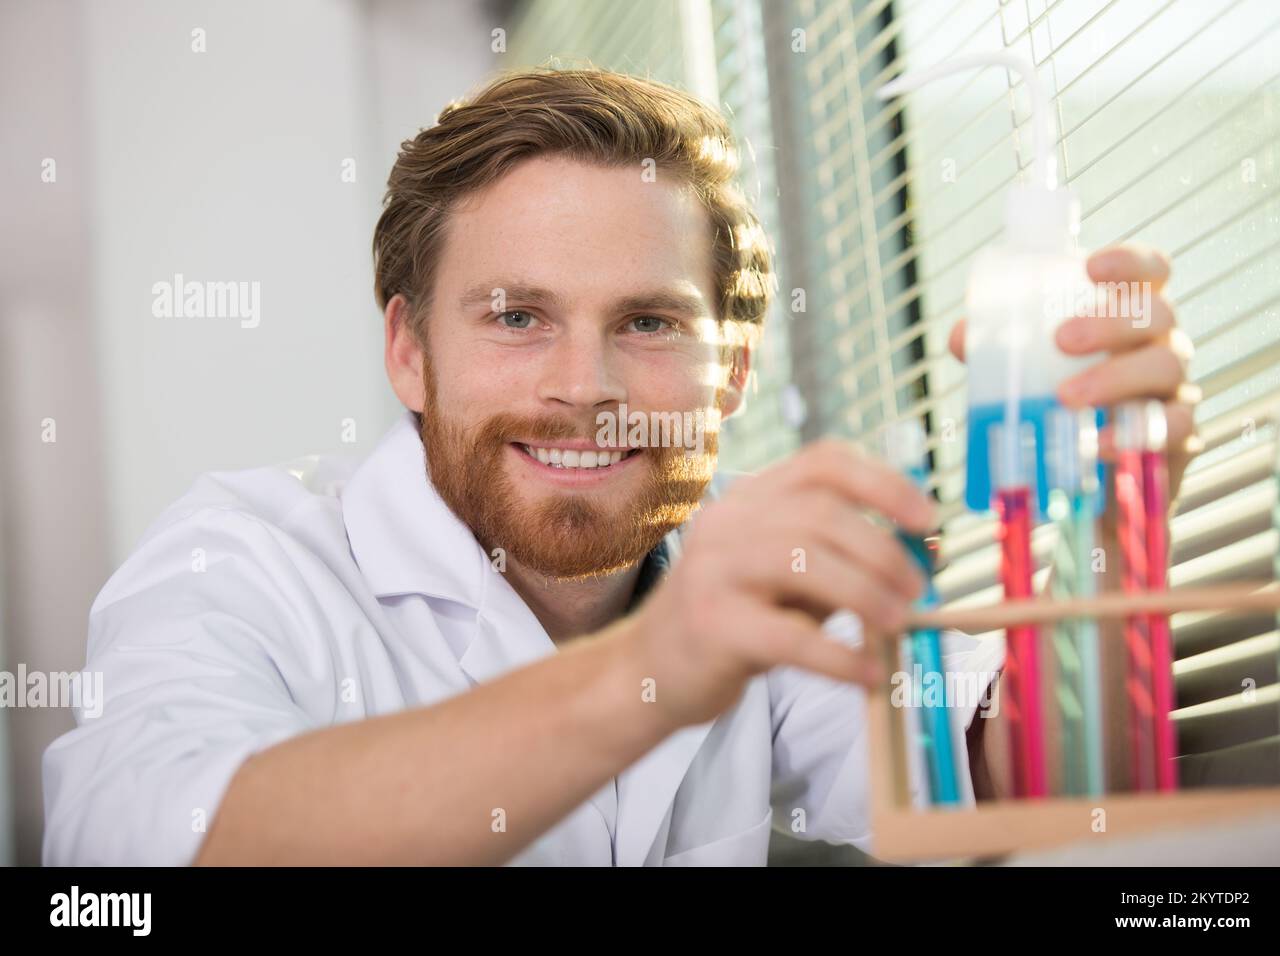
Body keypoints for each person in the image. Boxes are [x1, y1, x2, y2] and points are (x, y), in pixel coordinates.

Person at [42, 68, 1197, 866]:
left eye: (647, 322)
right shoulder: (240, 559)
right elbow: (147, 858)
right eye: (514, 316)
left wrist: (1110, 511)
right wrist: (657, 663)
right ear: (406, 347)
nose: (584, 384)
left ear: (732, 370)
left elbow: (1006, 795)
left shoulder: (766, 558)